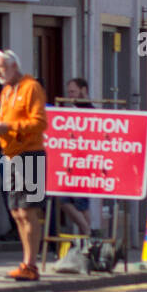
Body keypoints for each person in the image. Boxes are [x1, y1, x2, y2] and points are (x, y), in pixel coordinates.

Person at [0, 49, 48, 281]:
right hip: (11, 156)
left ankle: (30, 264)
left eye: (0, 67)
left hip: (31, 154)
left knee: (28, 210)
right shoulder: (6, 91)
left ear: (14, 66)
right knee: (16, 211)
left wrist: (8, 127)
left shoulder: (31, 87)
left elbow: (40, 122)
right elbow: (6, 122)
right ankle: (25, 261)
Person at [56, 78, 94, 238]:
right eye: (69, 92)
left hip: (83, 163)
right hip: (70, 162)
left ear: (83, 90)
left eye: (73, 91)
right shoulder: (72, 109)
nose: (70, 95)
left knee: (80, 202)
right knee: (64, 199)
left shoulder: (89, 109)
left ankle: (87, 233)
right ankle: (87, 233)